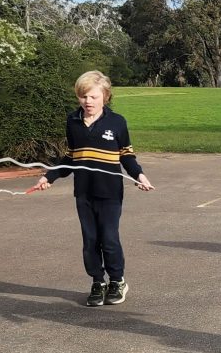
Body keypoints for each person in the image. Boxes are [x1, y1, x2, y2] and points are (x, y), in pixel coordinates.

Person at [31, 71, 153, 306]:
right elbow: (70, 156)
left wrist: (139, 175)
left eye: (94, 97)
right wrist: (50, 177)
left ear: (105, 97)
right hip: (84, 192)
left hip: (110, 193)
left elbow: (126, 155)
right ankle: (98, 281)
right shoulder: (73, 121)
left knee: (108, 238)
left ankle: (117, 281)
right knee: (90, 240)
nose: (88, 102)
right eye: (83, 96)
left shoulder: (117, 122)